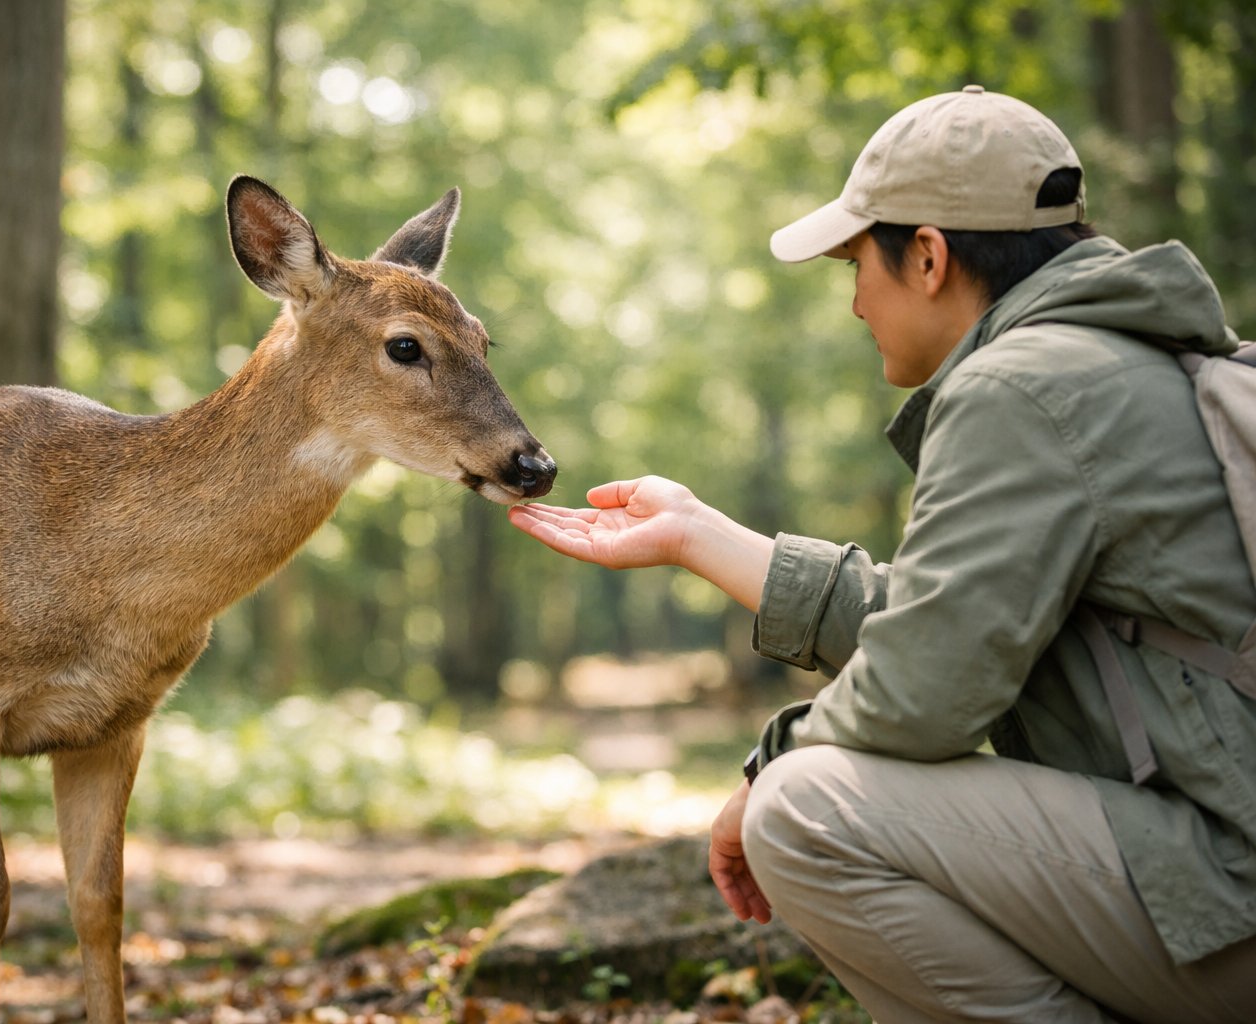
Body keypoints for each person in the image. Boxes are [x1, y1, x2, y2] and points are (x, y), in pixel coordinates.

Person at [507, 86, 1256, 1022]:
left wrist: (767, 769)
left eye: (857, 261)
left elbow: (924, 690)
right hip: (1225, 868)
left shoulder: (1019, 389)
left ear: (931, 256)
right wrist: (698, 535)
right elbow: (954, 620)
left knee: (804, 813)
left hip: (1229, 893)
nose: (856, 296)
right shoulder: (1117, 364)